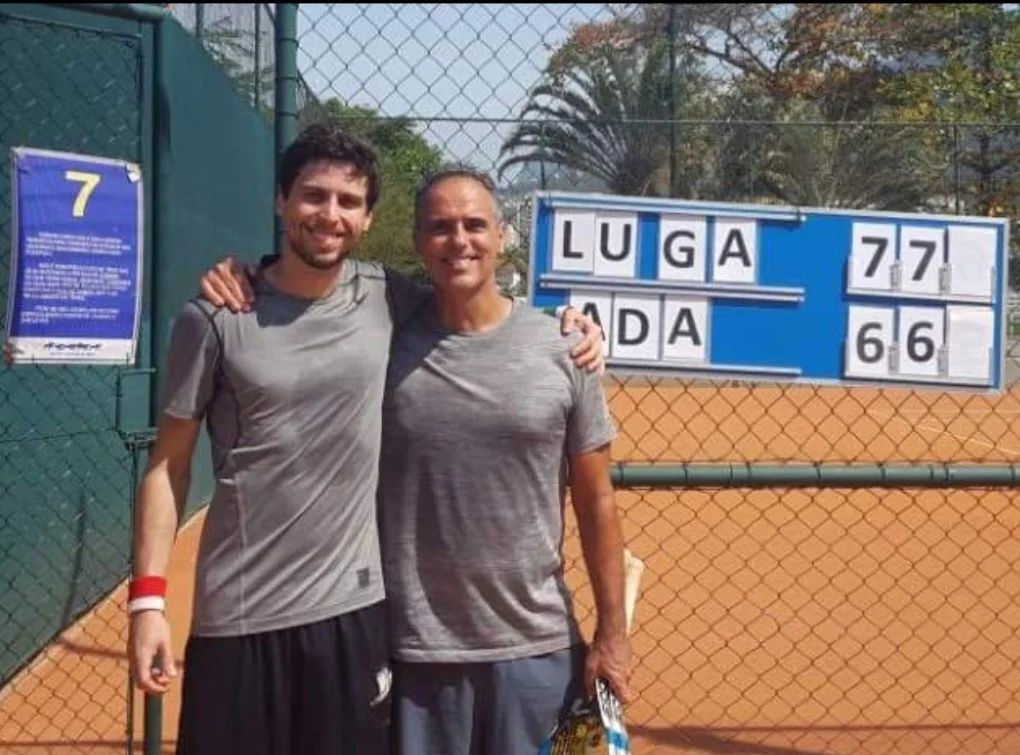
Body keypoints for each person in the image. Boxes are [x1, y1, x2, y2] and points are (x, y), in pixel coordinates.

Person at [127, 124, 604, 755]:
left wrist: (576, 323)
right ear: (281, 201)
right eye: (313, 196)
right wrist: (148, 605)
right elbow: (168, 466)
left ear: (368, 216)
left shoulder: (386, 296)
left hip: (353, 621)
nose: (329, 216)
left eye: (348, 202)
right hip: (239, 618)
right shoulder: (216, 315)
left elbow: (476, 297)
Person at [379, 168, 632, 754]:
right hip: (416, 652)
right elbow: (312, 275)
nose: (459, 241)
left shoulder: (565, 347)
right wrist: (249, 269)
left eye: (474, 225)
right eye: (440, 228)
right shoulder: (384, 338)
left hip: (535, 647)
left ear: (501, 237)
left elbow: (597, 501)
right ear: (419, 242)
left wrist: (612, 635)